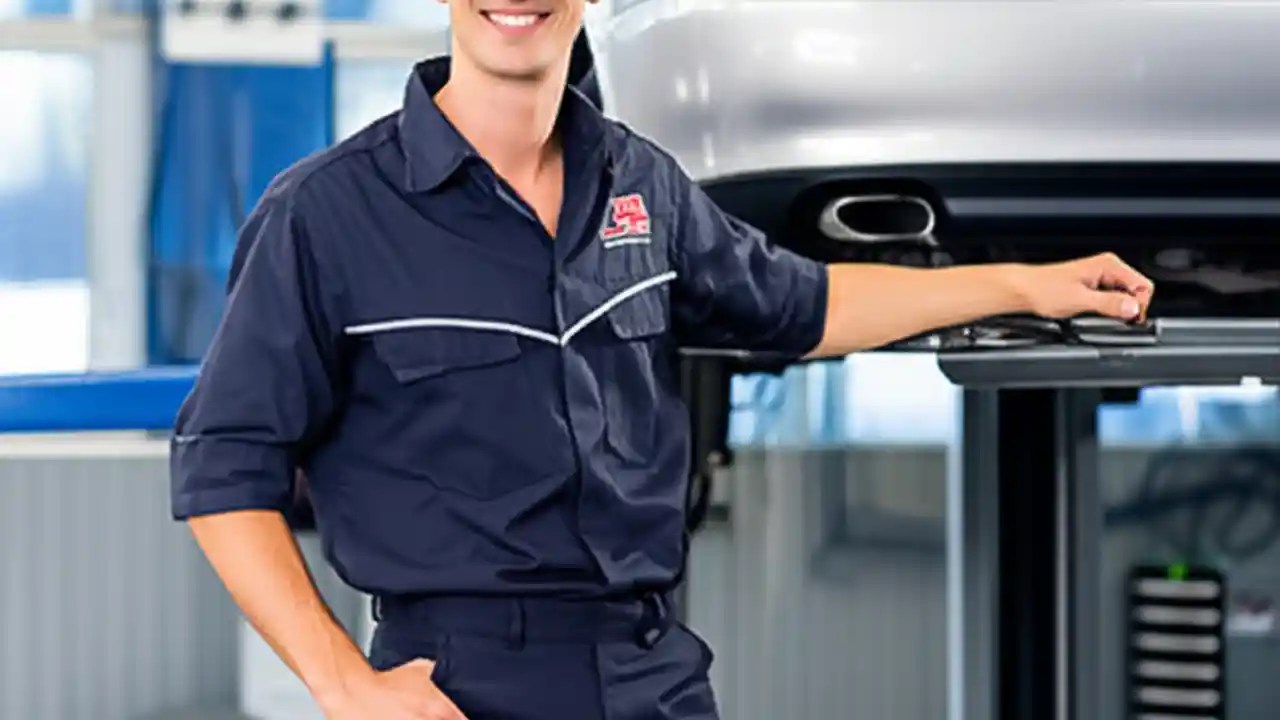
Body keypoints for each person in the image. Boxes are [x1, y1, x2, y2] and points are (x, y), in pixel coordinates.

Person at [169, 1, 1155, 718]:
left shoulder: (639, 182)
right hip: (455, 683)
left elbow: (805, 304)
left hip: (652, 671)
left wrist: (1023, 283)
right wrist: (343, 686)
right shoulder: (327, 215)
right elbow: (222, 468)